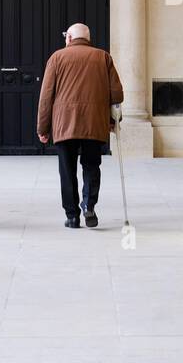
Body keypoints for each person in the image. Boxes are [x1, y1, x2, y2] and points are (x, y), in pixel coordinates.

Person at [37, 22, 124, 229]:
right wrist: (113, 121)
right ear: (88, 38)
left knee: (67, 170)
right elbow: (117, 94)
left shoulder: (56, 58)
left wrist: (43, 128)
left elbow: (46, 97)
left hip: (64, 125)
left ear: (69, 38)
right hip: (94, 123)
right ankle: (89, 205)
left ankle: (72, 215)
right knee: (91, 166)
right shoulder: (103, 57)